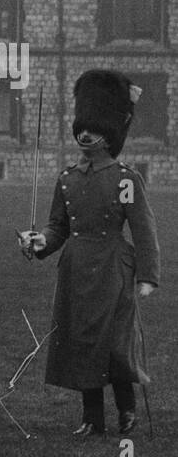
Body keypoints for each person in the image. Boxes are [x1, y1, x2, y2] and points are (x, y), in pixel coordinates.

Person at [19, 71, 159, 437]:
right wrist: (40, 242)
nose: (84, 135)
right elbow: (58, 228)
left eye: (93, 129)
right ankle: (92, 418)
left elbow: (143, 231)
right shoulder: (67, 178)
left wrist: (147, 276)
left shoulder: (125, 179)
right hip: (76, 269)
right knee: (83, 342)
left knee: (113, 343)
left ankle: (126, 412)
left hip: (113, 267)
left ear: (109, 133)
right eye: (81, 128)